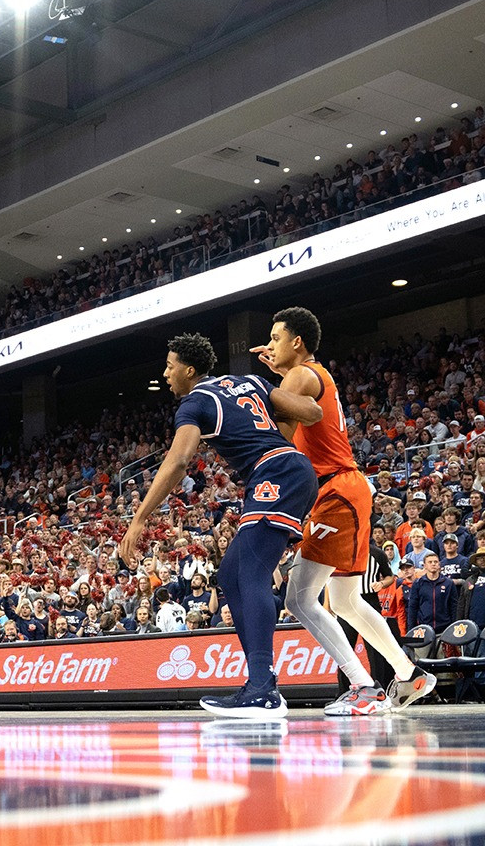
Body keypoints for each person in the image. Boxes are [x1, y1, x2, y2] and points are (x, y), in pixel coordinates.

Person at [121, 332, 322, 718]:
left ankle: (264, 689)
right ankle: (258, 684)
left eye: (169, 366)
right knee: (230, 577)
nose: (165, 374)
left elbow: (179, 461)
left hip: (275, 472)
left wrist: (139, 518)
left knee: (251, 575)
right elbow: (312, 412)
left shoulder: (194, 403)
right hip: (289, 467)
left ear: (189, 370)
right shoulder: (249, 382)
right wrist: (279, 376)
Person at [253, 307, 433, 715]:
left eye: (275, 338)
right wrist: (280, 374)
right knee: (347, 600)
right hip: (345, 491)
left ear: (296, 342)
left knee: (299, 599)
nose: (269, 345)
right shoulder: (306, 376)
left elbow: (272, 430)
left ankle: (364, 687)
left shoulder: (302, 375)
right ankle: (408, 673)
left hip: (336, 492)